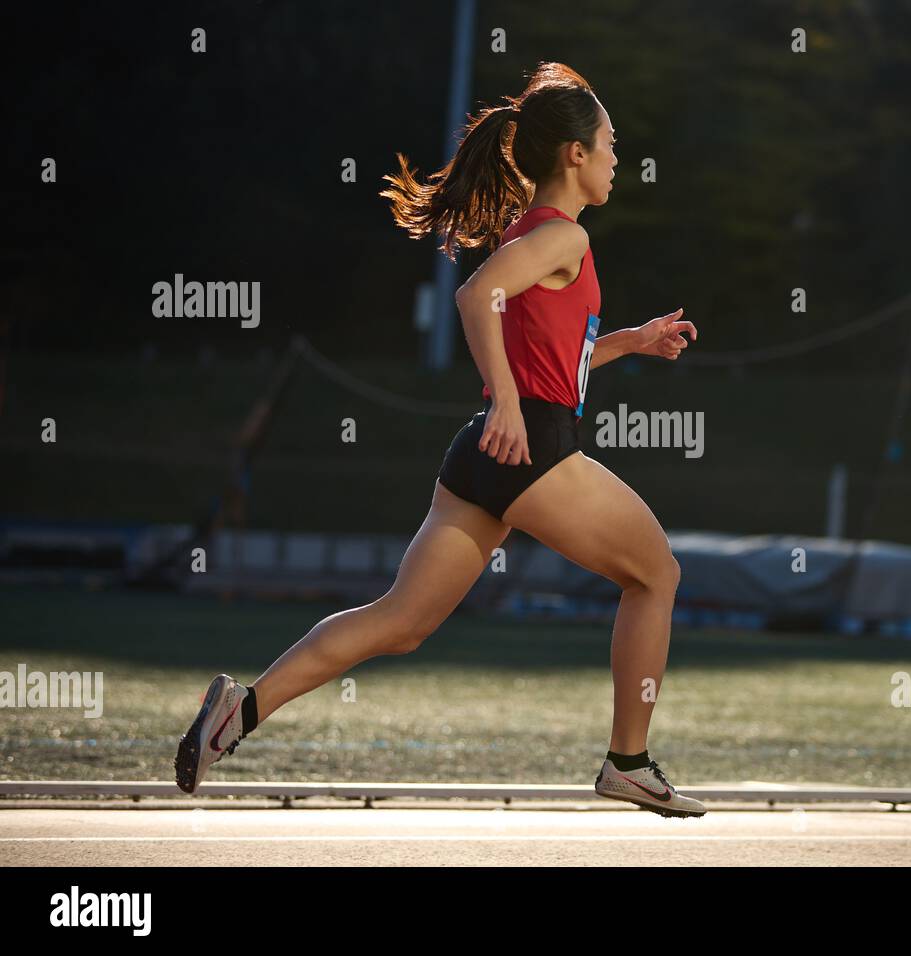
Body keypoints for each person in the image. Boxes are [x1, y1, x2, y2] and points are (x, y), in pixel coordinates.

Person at [174, 62, 704, 818]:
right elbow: (475, 294)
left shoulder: (541, 235)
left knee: (400, 622)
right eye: (612, 145)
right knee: (656, 575)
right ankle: (629, 761)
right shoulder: (564, 239)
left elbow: (553, 353)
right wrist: (511, 407)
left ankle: (242, 708)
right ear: (575, 156)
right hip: (536, 447)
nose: (620, 159)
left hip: (484, 460)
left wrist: (631, 340)